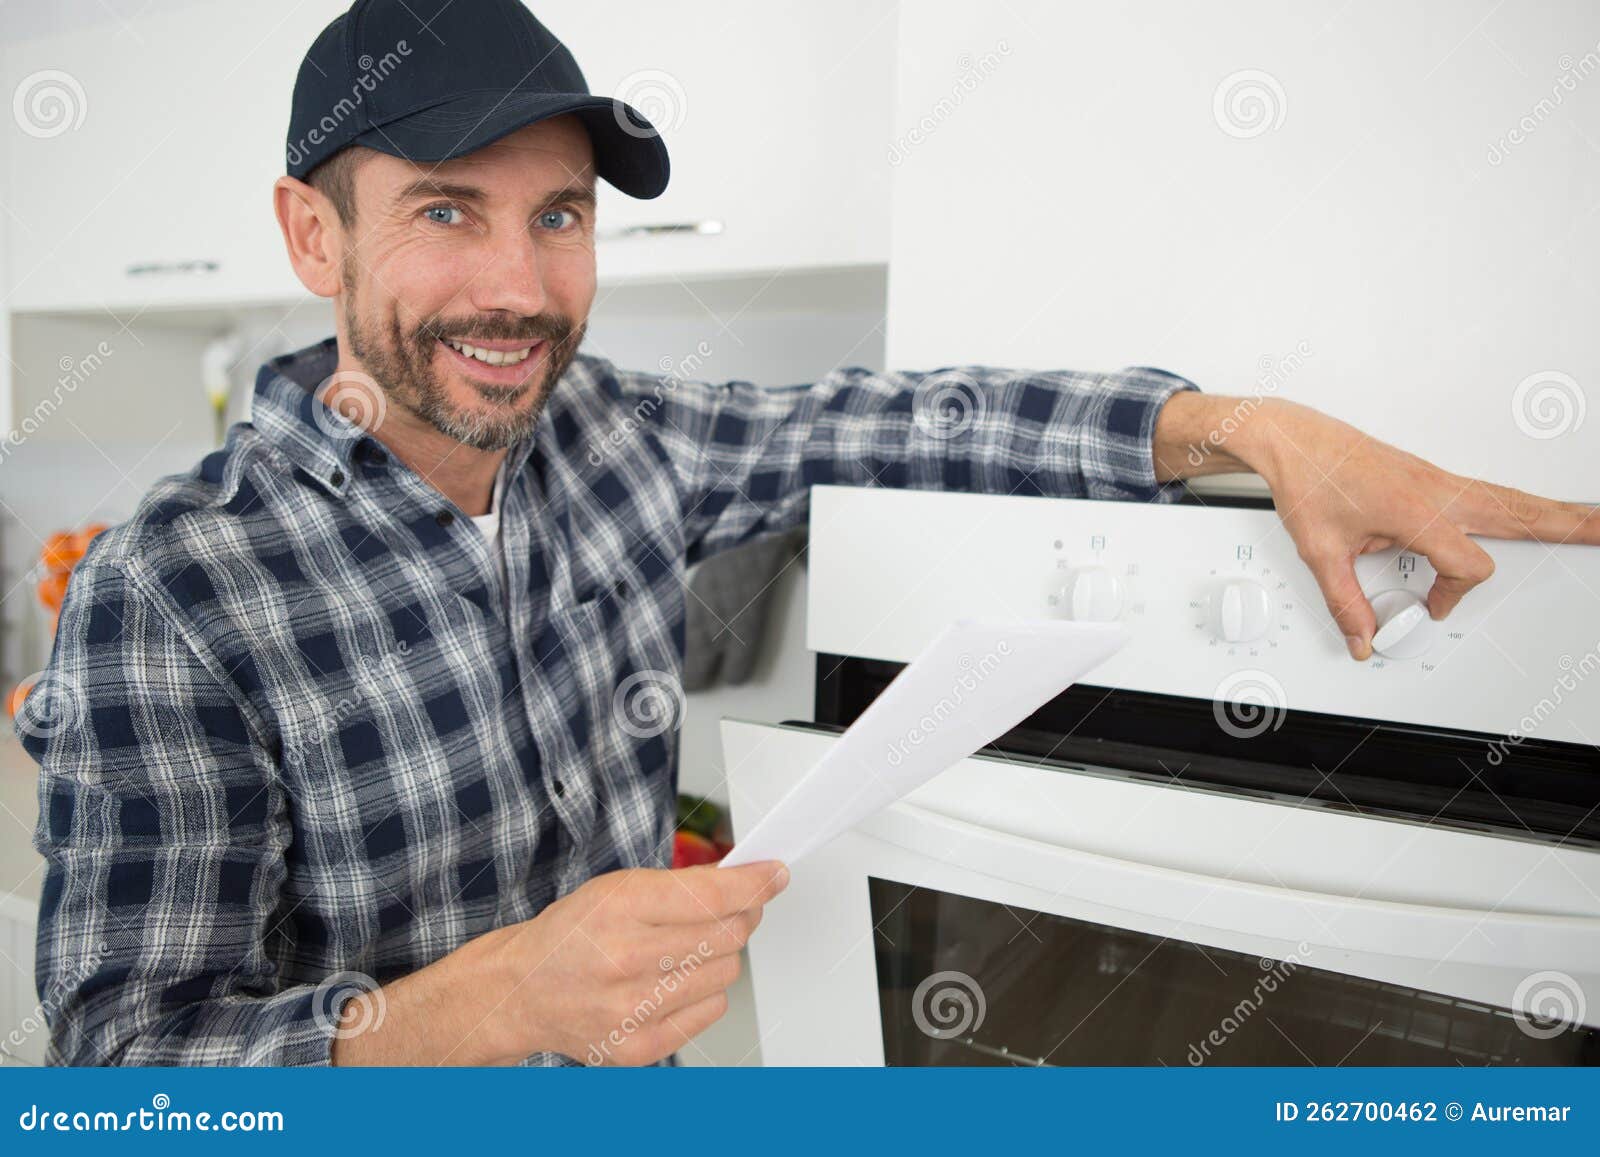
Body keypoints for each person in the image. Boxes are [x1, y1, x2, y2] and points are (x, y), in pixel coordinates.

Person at [21, 0, 1598, 1067]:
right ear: (316, 235)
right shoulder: (174, 591)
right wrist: (486, 1001)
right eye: (447, 209)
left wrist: (1254, 429)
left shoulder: (616, 443)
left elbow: (909, 421)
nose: (518, 285)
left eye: (559, 214)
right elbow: (121, 1078)